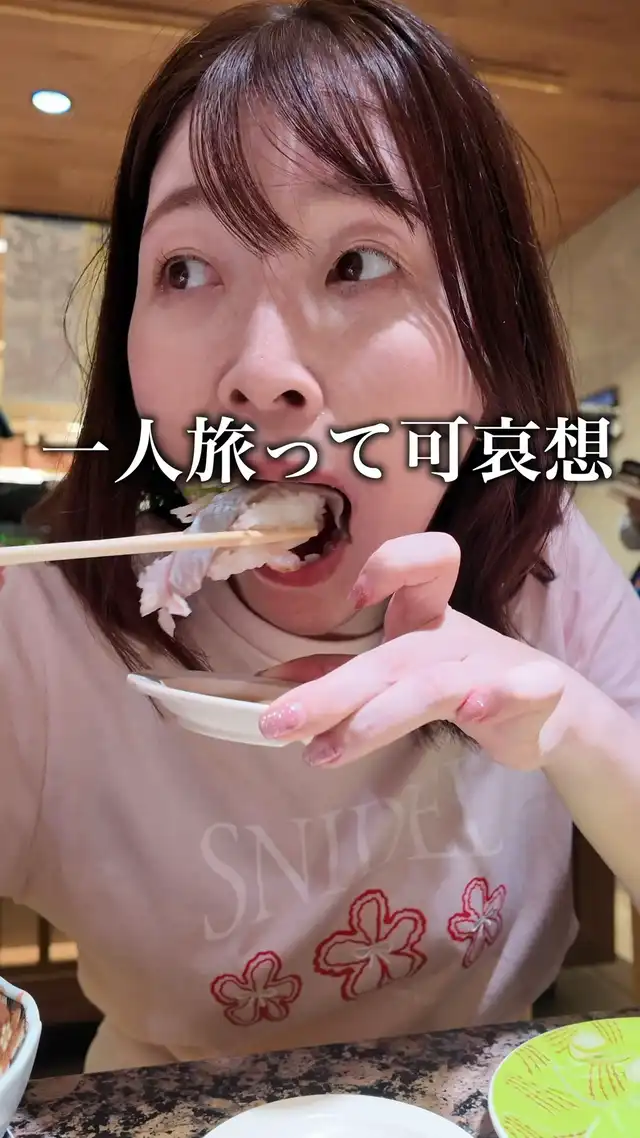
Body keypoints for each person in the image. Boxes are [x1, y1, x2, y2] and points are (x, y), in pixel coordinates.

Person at [2, 0, 640, 1074]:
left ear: (489, 349)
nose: (261, 373)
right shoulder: (41, 629)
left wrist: (567, 720)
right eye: (186, 269)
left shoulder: (545, 566)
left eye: (358, 262)